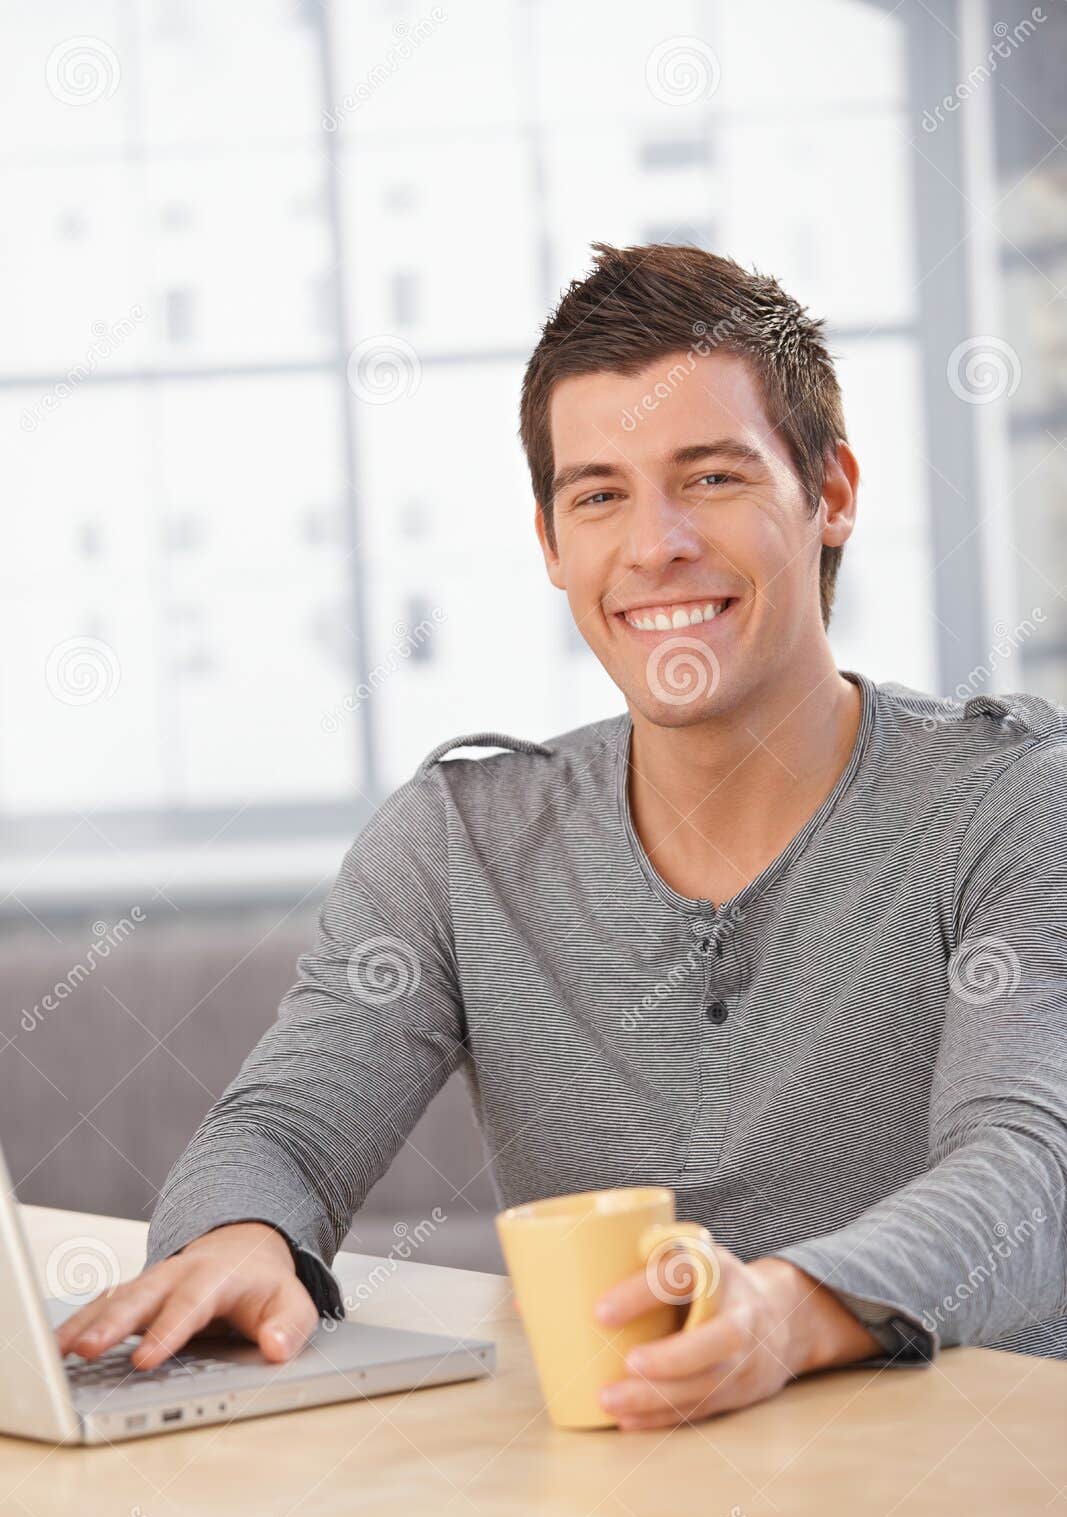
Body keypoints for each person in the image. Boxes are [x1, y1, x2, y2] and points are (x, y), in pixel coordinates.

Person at [58, 243, 1067, 1431]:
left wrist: (786, 1313)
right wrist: (243, 1235)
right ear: (549, 542)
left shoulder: (1009, 804)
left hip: (970, 1508)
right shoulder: (458, 840)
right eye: (598, 494)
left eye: (710, 478)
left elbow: (1029, 1168)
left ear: (829, 492)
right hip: (619, 1514)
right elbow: (280, 1130)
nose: (653, 546)